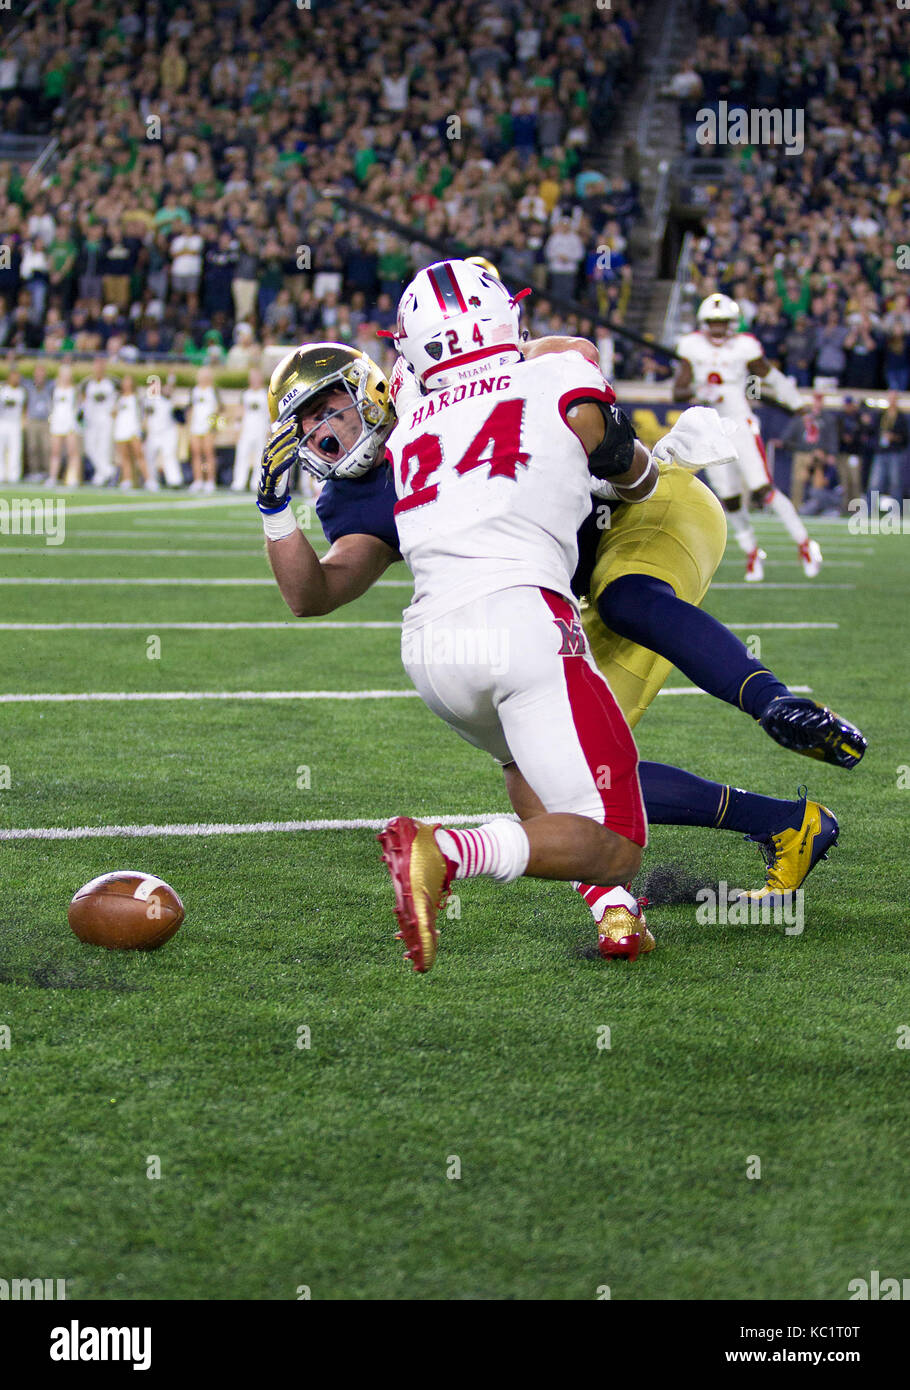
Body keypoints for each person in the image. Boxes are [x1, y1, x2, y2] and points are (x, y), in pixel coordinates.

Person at [674, 293, 823, 582]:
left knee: (762, 489)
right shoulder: (690, 347)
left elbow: (771, 376)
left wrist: (796, 402)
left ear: (732, 323)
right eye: (713, 323)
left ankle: (804, 543)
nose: (718, 329)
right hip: (709, 429)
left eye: (723, 323)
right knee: (729, 497)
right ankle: (751, 551)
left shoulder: (745, 347)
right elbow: (677, 391)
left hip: (739, 422)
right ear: (704, 323)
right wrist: (697, 391)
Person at [776, 390, 839, 512]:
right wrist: (798, 447)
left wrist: (830, 453)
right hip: (802, 453)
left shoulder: (827, 419)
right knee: (798, 481)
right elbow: (787, 438)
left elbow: (831, 437)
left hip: (819, 454)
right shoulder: (801, 418)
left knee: (818, 482)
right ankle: (796, 507)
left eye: (819, 401)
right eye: (815, 400)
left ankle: (816, 508)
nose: (817, 404)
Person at [231, 366, 269, 491]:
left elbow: (270, 414)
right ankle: (239, 482)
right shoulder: (245, 394)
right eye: (252, 378)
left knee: (260, 457)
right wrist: (237, 428)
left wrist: (269, 430)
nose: (254, 381)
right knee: (242, 455)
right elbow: (239, 411)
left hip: (261, 429)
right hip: (246, 429)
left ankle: (256, 483)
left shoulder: (266, 394)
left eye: (257, 378)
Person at [80, 356, 117, 485]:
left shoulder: (110, 383)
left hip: (106, 420)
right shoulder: (88, 383)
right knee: (89, 448)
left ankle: (100, 477)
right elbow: (83, 400)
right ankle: (108, 471)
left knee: (104, 449)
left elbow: (118, 397)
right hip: (91, 421)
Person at [867, 391, 908, 504]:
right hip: (881, 452)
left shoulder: (901, 417)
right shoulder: (881, 415)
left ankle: (896, 511)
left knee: (895, 483)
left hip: (895, 452)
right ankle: (870, 509)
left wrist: (893, 437)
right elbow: (873, 432)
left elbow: (904, 437)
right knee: (875, 482)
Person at [144, 375, 183, 488]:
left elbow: (169, 389)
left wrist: (171, 380)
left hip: (167, 432)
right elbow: (145, 417)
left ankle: (174, 481)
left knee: (169, 455)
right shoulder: (147, 400)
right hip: (153, 433)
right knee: (149, 456)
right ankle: (151, 480)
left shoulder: (165, 397)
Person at [113, 375, 149, 490]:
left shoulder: (137, 398)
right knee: (124, 457)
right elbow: (114, 413)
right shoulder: (119, 398)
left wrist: (143, 428)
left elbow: (143, 414)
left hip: (133, 429)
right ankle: (127, 480)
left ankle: (148, 480)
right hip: (121, 430)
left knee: (139, 455)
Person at [47, 363, 81, 485]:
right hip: (57, 422)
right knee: (55, 451)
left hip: (70, 422)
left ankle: (73, 478)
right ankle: (52, 477)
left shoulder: (74, 389)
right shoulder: (54, 388)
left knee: (72, 452)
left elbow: (78, 407)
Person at [188, 365, 220, 493]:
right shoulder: (194, 390)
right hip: (196, 426)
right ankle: (198, 480)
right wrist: (190, 425)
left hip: (208, 426)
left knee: (208, 453)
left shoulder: (213, 390)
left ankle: (210, 480)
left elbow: (218, 409)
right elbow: (190, 408)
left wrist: (213, 426)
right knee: (196, 453)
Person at [23, 360, 52, 478]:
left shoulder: (50, 386)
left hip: (45, 421)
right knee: (32, 447)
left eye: (42, 372)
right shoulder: (29, 386)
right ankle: (34, 472)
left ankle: (46, 472)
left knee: (46, 447)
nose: (40, 375)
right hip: (32, 420)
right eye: (38, 372)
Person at [0, 366, 26, 483]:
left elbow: (25, 408)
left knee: (15, 449)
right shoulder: (3, 390)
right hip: (3, 422)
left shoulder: (22, 392)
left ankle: (13, 475)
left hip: (15, 424)